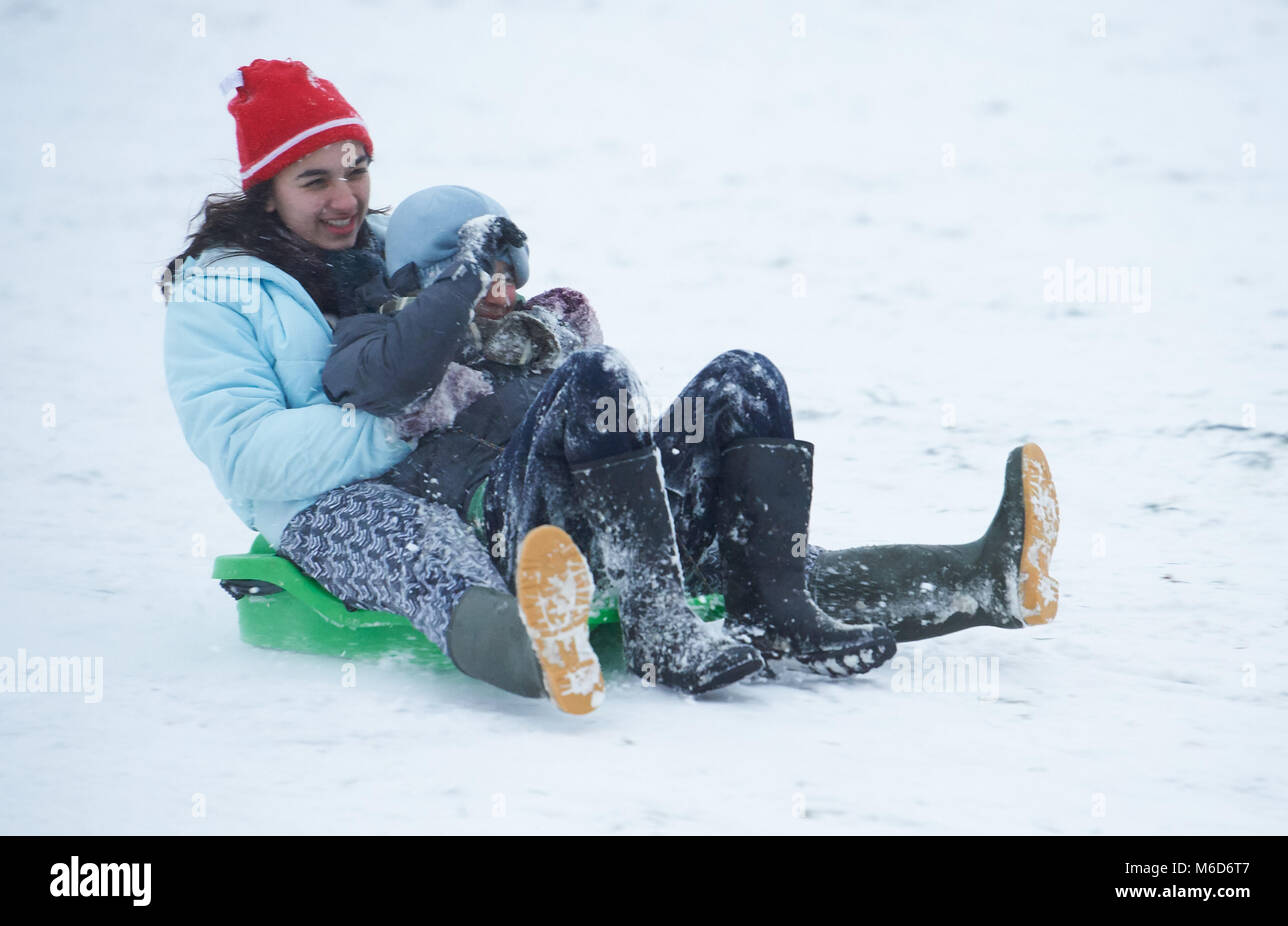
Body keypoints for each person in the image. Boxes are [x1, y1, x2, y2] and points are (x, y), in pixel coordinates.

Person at [162, 58, 1061, 714]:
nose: (347, 197)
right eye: (315, 179)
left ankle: (978, 579)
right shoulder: (229, 295)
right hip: (375, 496)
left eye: (355, 169)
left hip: (534, 468)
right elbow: (250, 450)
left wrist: (532, 327)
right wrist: (403, 423)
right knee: (443, 555)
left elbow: (502, 331)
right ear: (263, 188)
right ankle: (556, 642)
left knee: (736, 457)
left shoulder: (395, 247)